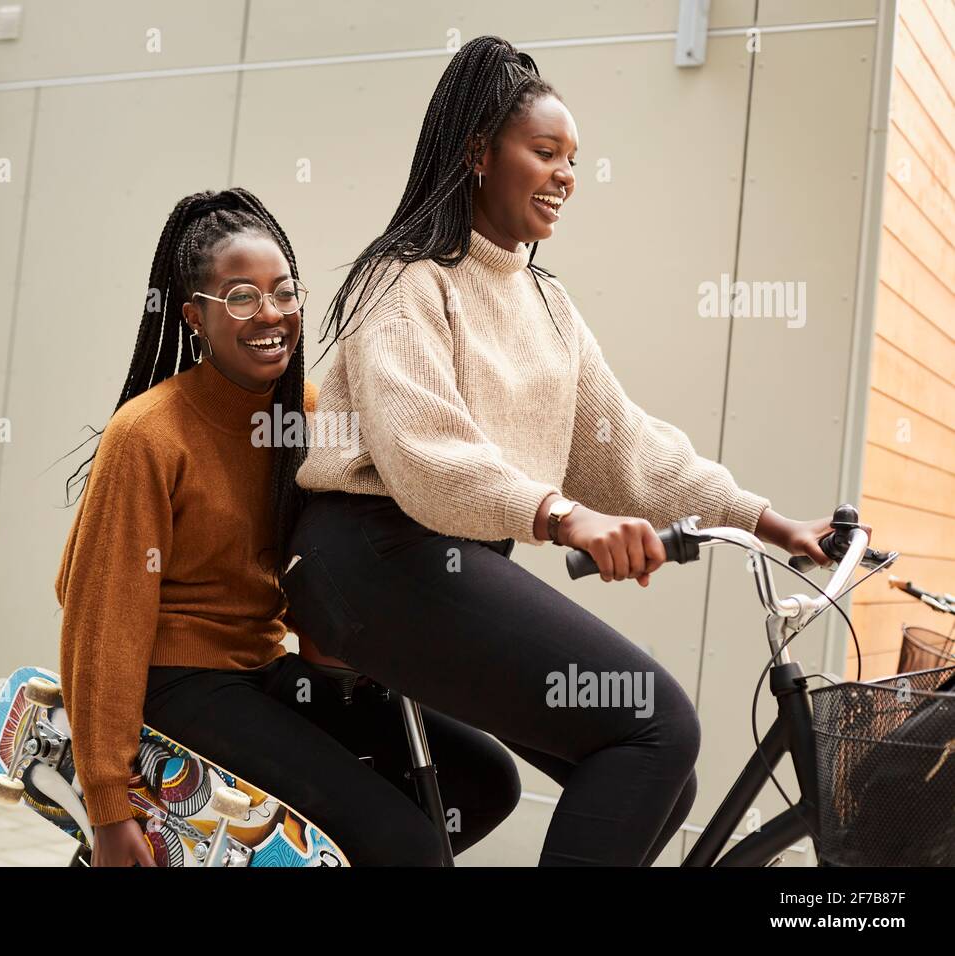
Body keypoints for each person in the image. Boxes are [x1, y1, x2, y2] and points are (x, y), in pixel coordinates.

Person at [283, 36, 869, 866]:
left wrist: (773, 525)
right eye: (545, 152)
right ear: (479, 154)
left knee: (664, 775)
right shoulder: (407, 280)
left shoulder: (546, 301)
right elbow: (426, 456)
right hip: (369, 556)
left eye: (574, 160)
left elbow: (628, 447)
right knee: (658, 723)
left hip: (444, 557)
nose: (565, 175)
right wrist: (563, 517)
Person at [54, 187, 521, 867]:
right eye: (241, 297)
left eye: (285, 291)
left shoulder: (309, 414)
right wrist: (108, 806)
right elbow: (102, 623)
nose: (270, 314)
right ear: (194, 317)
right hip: (180, 682)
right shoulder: (148, 435)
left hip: (270, 669)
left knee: (483, 781)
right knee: (404, 844)